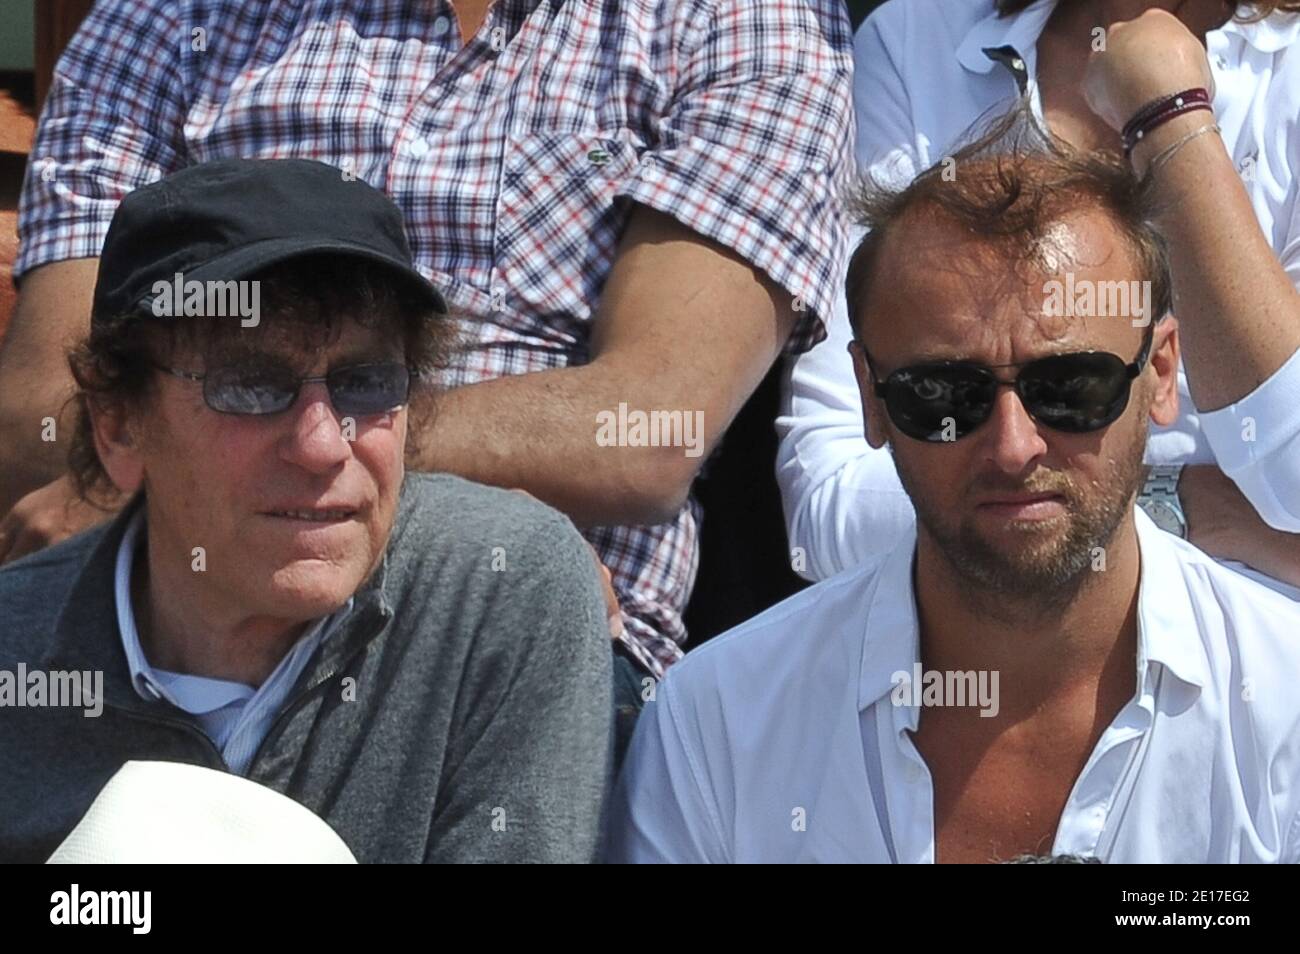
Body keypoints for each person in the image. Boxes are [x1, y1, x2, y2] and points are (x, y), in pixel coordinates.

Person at [0, 1, 855, 704]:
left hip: (507, 639)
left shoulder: (743, 21)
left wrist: (231, 466)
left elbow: (647, 428)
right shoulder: (162, 19)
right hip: (178, 618)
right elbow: (47, 405)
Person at [606, 117, 1300, 863]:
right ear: (870, 398)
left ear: (1161, 373)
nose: (1012, 446)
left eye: (1070, 386)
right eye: (943, 394)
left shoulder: (1283, 700)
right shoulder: (717, 723)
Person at [0, 158, 613, 864]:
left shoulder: (501, 591)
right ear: (117, 424)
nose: (324, 444)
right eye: (252, 385)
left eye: (366, 382)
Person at [778, 0, 1300, 592]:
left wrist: (1171, 121)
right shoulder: (911, 42)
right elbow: (825, 511)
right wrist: (1181, 503)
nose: (1016, 446)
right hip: (960, 659)